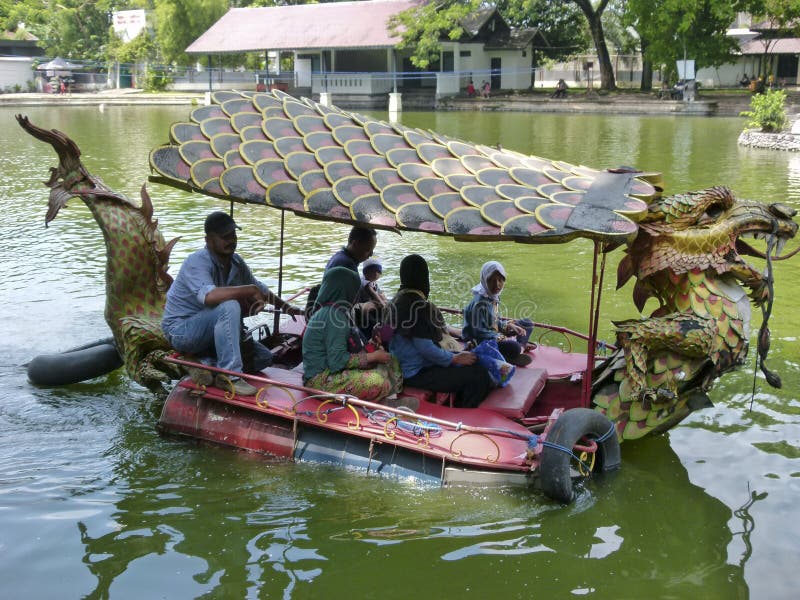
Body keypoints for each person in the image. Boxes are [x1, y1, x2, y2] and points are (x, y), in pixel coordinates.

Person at [162, 211, 303, 396]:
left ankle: (204, 363)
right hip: (182, 330)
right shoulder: (197, 261)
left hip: (210, 331)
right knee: (230, 305)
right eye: (224, 237)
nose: (231, 241)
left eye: (233, 235)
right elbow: (210, 296)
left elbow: (260, 288)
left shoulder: (236, 262)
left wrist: (288, 308)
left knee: (263, 358)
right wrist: (249, 290)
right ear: (208, 240)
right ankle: (230, 376)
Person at [389, 255, 492, 408]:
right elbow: (426, 348)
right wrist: (455, 359)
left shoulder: (396, 300)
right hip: (415, 372)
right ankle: (463, 412)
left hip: (404, 365)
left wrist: (456, 356)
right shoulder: (418, 306)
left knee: (471, 361)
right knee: (479, 375)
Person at [302, 266, 401, 402]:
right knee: (378, 380)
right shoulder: (333, 315)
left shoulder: (339, 311)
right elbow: (336, 362)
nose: (356, 294)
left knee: (390, 361)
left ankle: (389, 397)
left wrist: (371, 345)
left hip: (334, 370)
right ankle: (386, 399)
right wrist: (373, 356)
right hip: (320, 379)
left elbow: (347, 347)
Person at [462, 261, 533, 367]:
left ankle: (517, 351)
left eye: (500, 280)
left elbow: (494, 321)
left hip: (493, 333)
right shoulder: (479, 304)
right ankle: (516, 351)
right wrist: (502, 337)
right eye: (491, 280)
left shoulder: (492, 297)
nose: (497, 284)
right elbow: (480, 334)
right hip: (479, 341)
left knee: (527, 323)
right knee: (514, 347)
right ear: (484, 279)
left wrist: (509, 325)